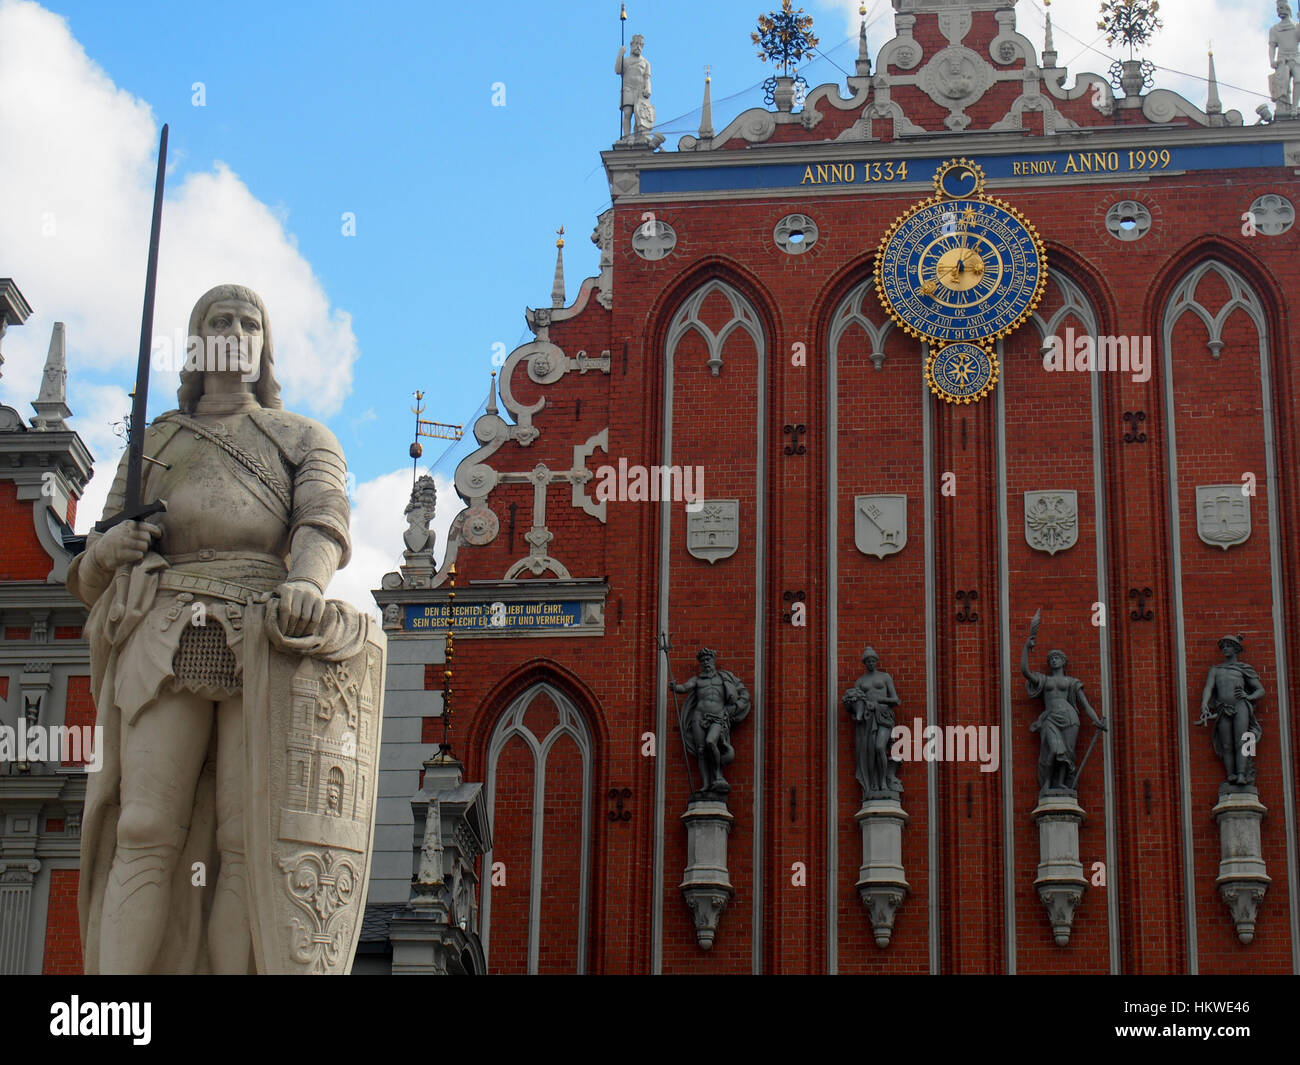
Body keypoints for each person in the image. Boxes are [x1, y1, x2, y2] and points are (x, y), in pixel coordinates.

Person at [69, 284, 352, 973]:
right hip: (166, 623)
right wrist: (111, 548)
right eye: (218, 319)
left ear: (265, 342)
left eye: (248, 320)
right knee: (144, 826)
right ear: (197, 342)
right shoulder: (156, 441)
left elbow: (324, 522)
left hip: (264, 629)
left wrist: (306, 582)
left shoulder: (303, 436)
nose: (235, 328)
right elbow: (90, 573)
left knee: (245, 839)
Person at [1021, 634, 1107, 794]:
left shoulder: (1072, 682)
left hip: (1070, 719)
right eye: (1051, 658)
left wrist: (1096, 720)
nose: (1054, 660)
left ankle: (1060, 783)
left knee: (1067, 753)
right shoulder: (1044, 680)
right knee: (1052, 750)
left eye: (1057, 657)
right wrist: (1026, 647)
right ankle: (1046, 784)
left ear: (1063, 661)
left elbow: (1085, 705)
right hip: (1050, 718)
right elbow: (1025, 671)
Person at [670, 648, 750, 798]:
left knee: (710, 742)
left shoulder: (724, 678)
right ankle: (706, 784)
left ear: (713, 661)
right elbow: (685, 687)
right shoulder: (697, 680)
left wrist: (734, 708)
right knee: (701, 750)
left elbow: (744, 694)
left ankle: (718, 776)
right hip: (699, 717)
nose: (706, 662)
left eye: (708, 659)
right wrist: (675, 687)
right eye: (703, 660)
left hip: (718, 716)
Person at [1199, 634, 1264, 786]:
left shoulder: (1243, 669)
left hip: (1241, 706)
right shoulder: (1215, 670)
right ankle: (1231, 774)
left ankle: (1242, 774)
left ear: (1235, 649)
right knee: (1226, 744)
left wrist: (1248, 696)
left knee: (1242, 740)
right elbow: (1209, 688)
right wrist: (1204, 703)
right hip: (1223, 708)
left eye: (1228, 646)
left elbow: (1260, 690)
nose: (1224, 649)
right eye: (1223, 647)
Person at [842, 646, 902, 796]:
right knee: (869, 752)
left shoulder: (885, 677)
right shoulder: (860, 681)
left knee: (879, 747)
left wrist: (879, 700)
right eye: (868, 661)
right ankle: (873, 783)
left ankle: (883, 781)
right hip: (868, 719)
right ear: (865, 663)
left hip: (884, 716)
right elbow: (853, 703)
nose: (870, 663)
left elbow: (895, 699)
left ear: (876, 661)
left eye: (873, 660)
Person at [616, 34, 652, 142]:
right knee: (627, 112)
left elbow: (647, 78)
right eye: (636, 44)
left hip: (640, 91)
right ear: (631, 44)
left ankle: (638, 137)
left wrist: (648, 88)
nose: (638, 47)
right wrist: (620, 54)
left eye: (641, 44)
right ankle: (627, 136)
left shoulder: (645, 63)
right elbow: (618, 70)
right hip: (628, 88)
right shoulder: (626, 61)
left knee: (639, 116)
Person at [1271, 0, 1300, 114]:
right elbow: (1272, 46)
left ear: (1288, 8)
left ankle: (1294, 107)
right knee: (1284, 84)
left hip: (1296, 58)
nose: (1280, 11)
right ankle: (1285, 108)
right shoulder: (1274, 29)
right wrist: (1271, 60)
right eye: (1278, 9)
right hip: (1282, 60)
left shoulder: (1296, 26)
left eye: (1282, 8)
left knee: (1298, 81)